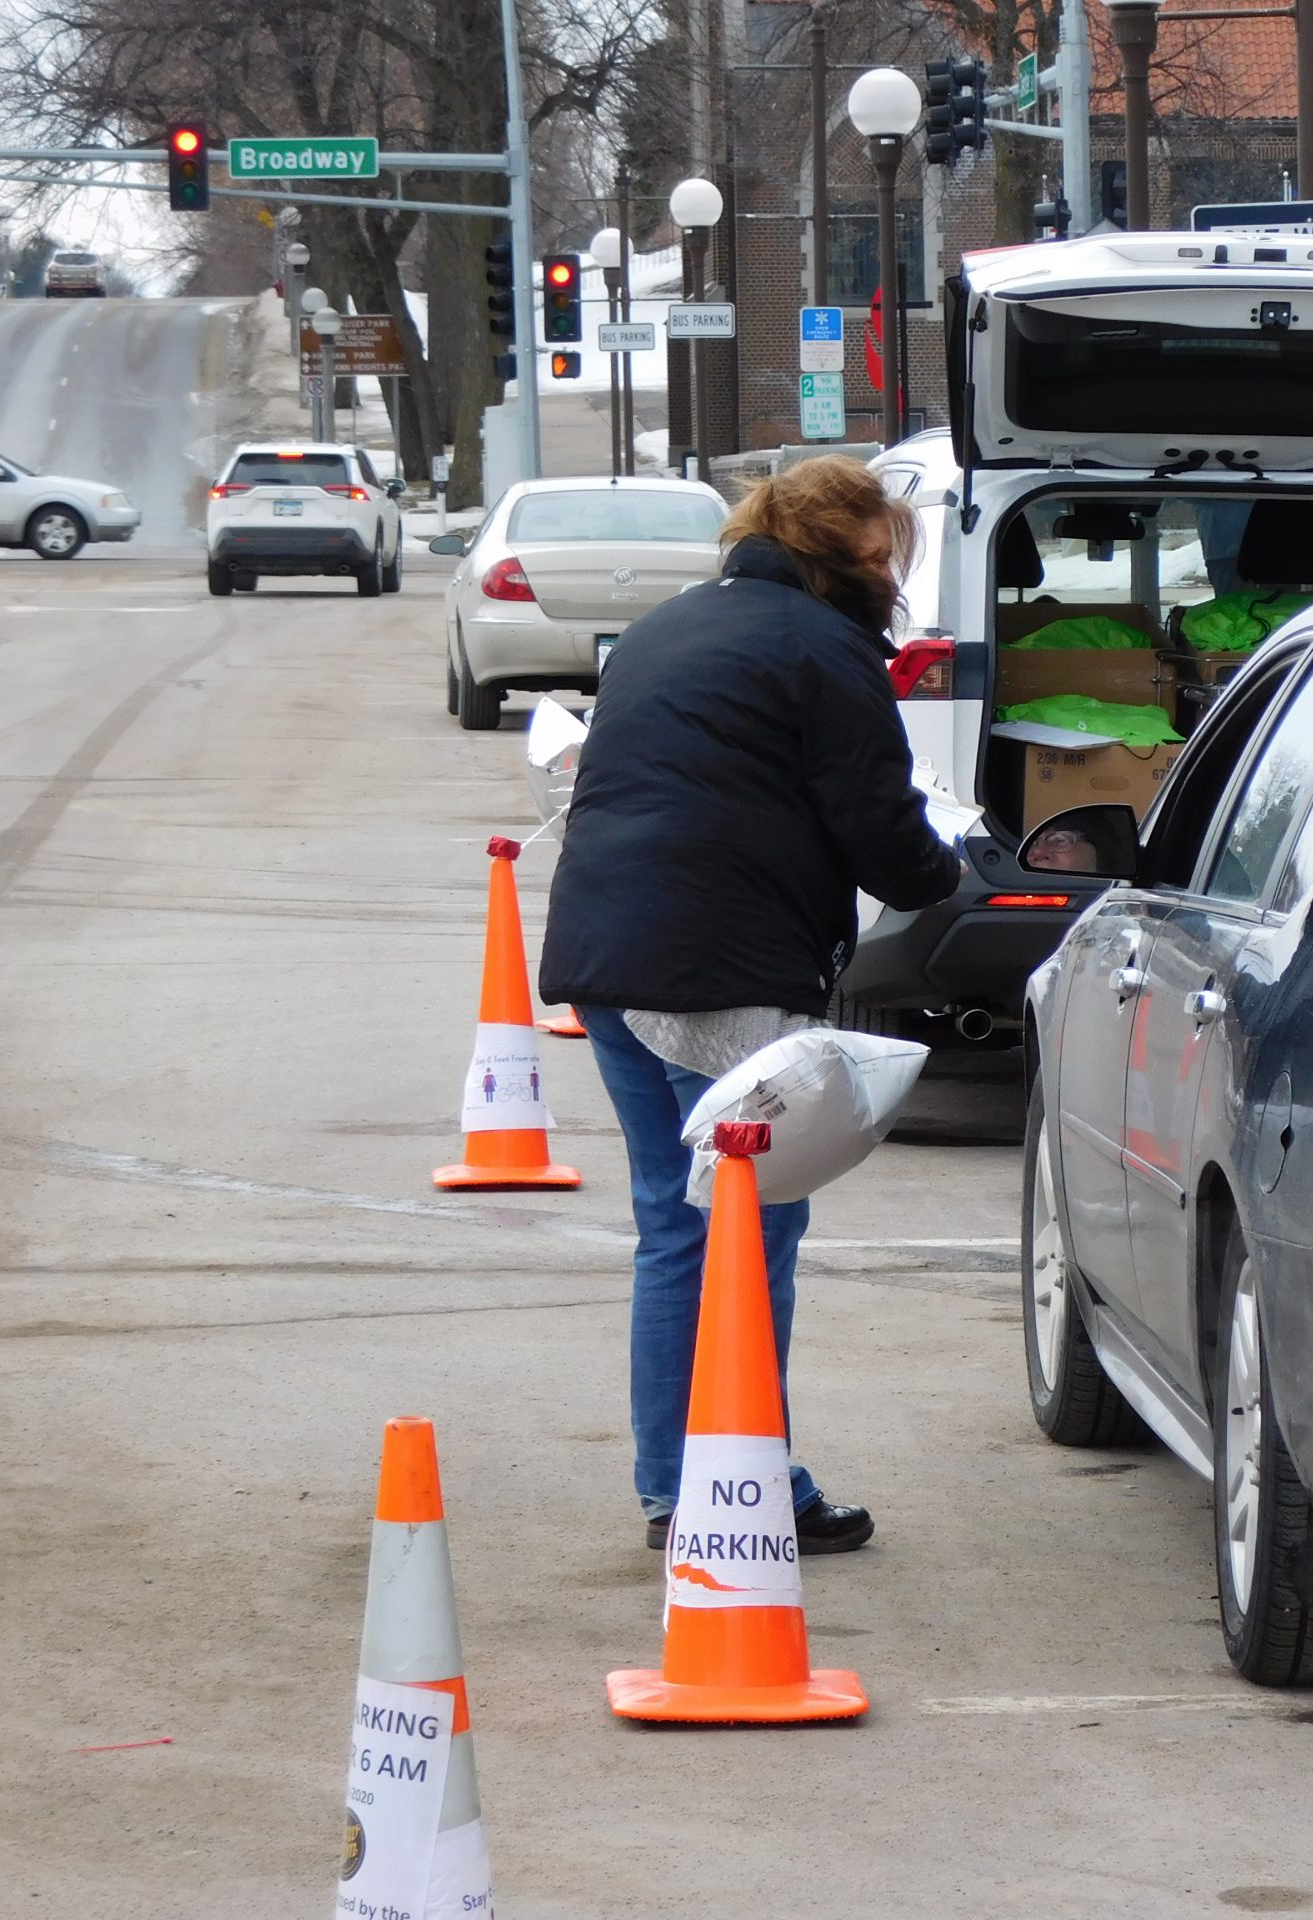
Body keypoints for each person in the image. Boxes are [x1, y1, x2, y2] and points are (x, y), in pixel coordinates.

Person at [540, 456, 962, 1553]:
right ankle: (736, 1487)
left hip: (608, 956)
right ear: (834, 555)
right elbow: (878, 823)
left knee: (674, 1229)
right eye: (879, 558)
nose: (892, 579)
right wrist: (953, 877)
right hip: (720, 970)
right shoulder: (825, 648)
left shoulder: (668, 624)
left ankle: (677, 1486)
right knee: (747, 1228)